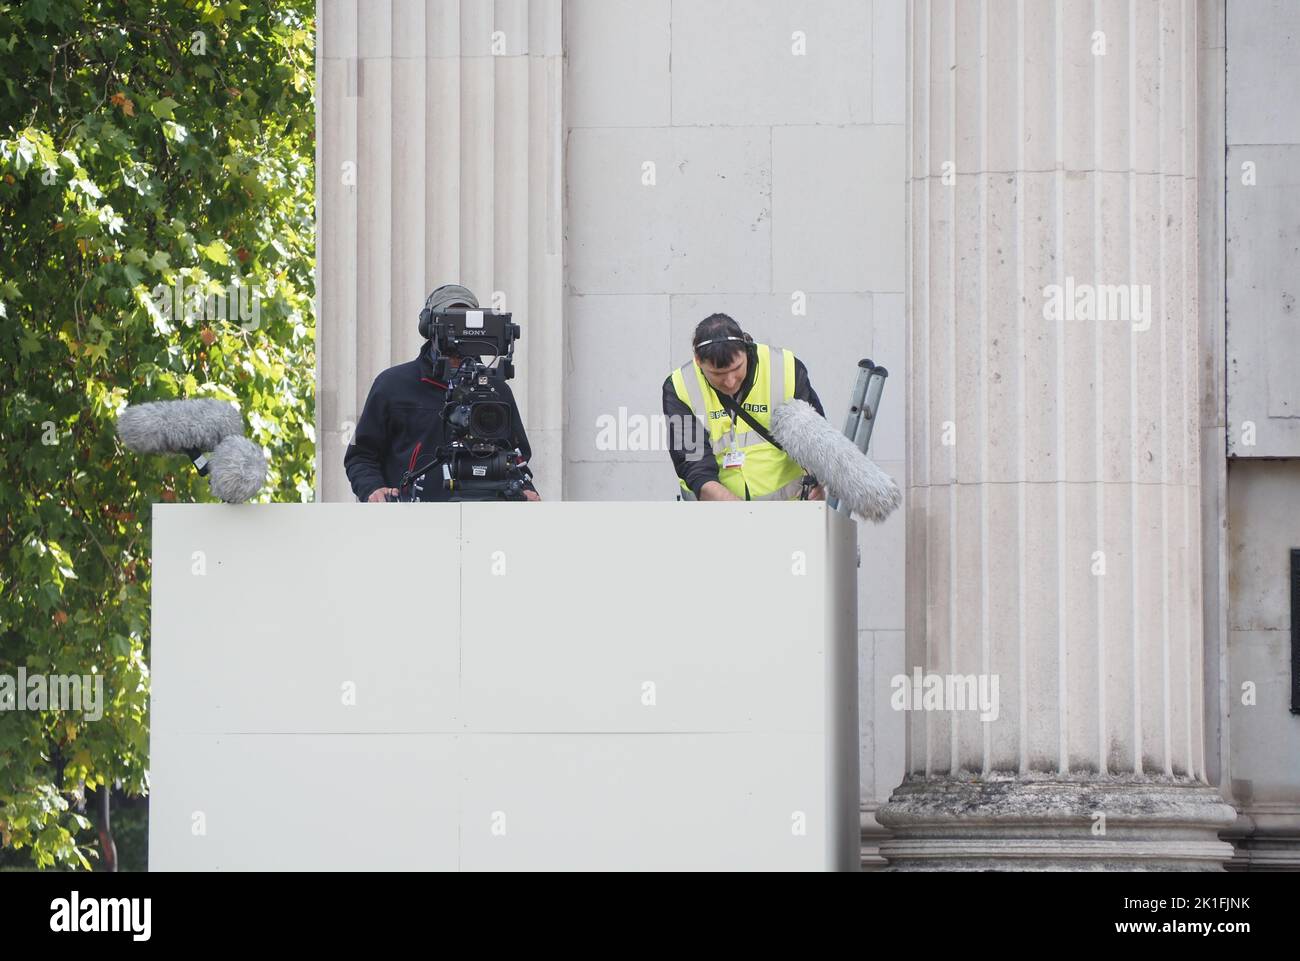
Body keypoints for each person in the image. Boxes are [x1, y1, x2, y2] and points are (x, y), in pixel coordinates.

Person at [344, 284, 540, 502]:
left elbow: (516, 459)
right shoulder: (392, 385)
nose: (458, 332)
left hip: (483, 519)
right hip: (410, 521)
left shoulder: (497, 390)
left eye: (465, 322)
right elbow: (361, 455)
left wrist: (526, 491)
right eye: (450, 322)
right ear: (430, 327)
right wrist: (373, 489)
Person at [662, 313, 827, 502]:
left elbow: (816, 438)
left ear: (746, 350)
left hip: (789, 512)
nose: (730, 382)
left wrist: (817, 481)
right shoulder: (680, 387)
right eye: (718, 374)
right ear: (698, 361)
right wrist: (742, 516)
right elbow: (694, 466)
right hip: (719, 518)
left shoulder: (784, 368)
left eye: (736, 368)